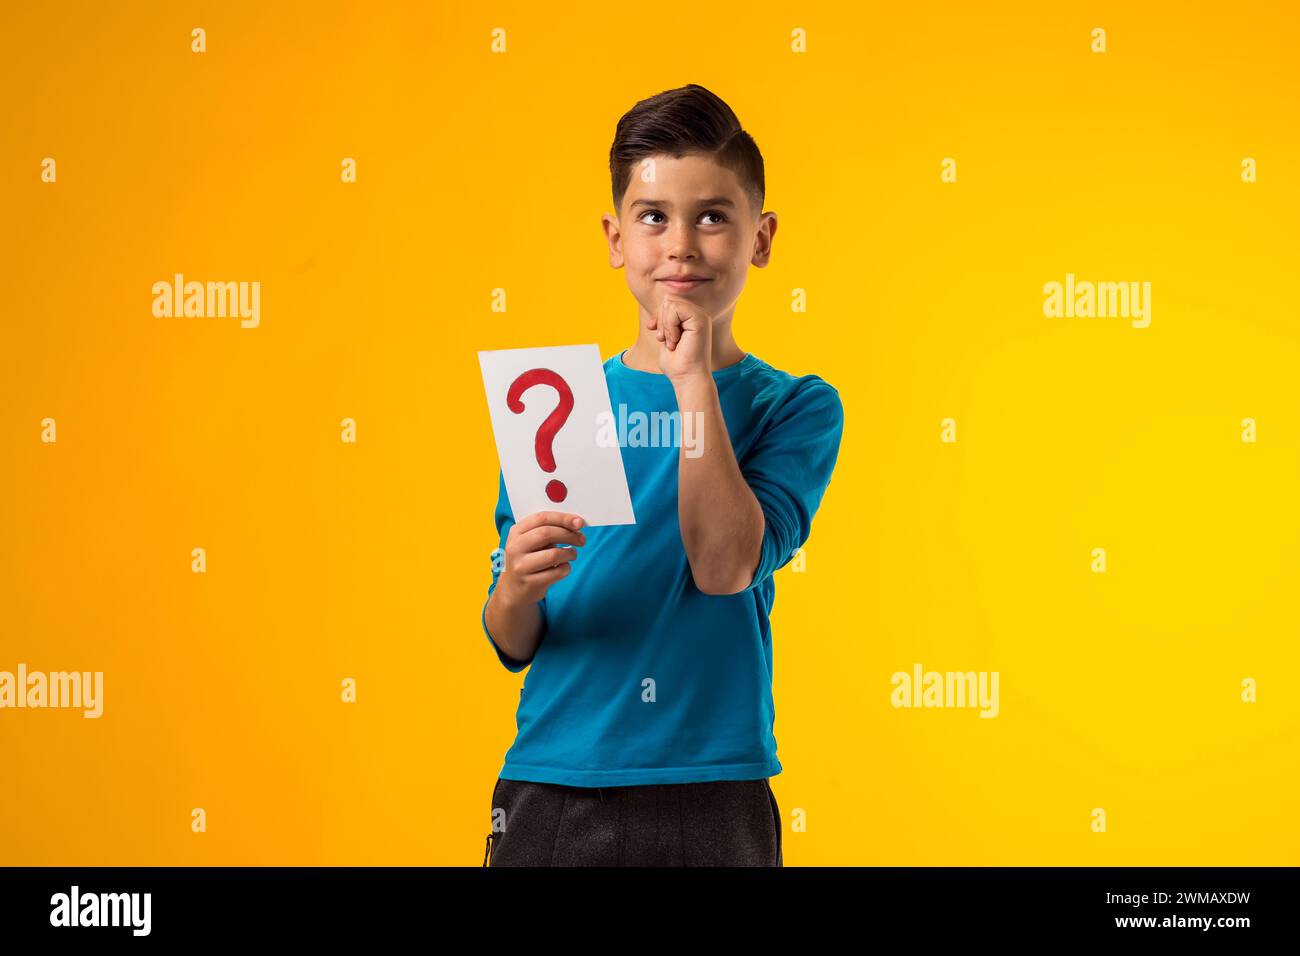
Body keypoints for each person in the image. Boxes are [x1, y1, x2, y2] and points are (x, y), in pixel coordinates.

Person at [480, 83, 844, 866]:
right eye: (654, 218)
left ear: (762, 237)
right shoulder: (557, 404)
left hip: (712, 790)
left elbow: (724, 567)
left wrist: (692, 384)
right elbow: (514, 638)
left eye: (713, 215)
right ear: (616, 239)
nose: (681, 243)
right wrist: (514, 586)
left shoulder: (796, 408)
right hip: (552, 784)